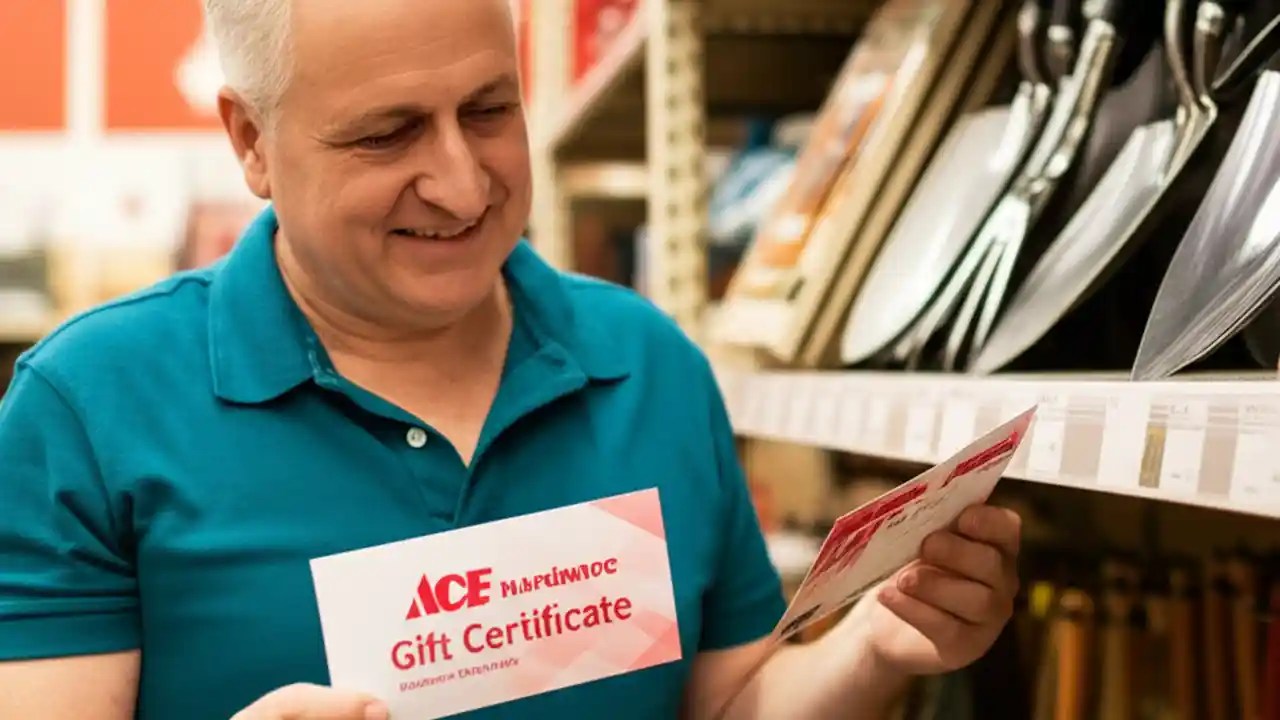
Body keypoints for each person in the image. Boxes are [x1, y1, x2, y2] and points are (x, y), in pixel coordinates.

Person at [0, 0, 1024, 717]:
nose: (461, 185)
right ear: (252, 141)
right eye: (387, 135)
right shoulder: (89, 408)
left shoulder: (648, 367)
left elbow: (726, 702)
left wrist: (872, 647)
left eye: (489, 110)